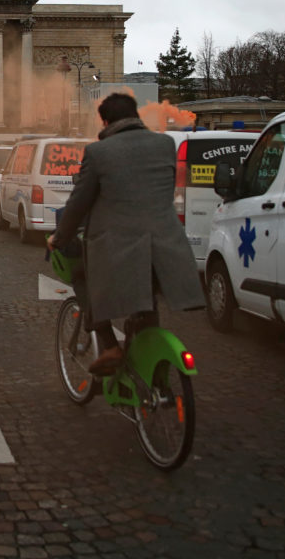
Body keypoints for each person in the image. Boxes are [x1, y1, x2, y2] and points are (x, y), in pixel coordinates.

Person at [47, 93, 204, 375]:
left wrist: (59, 237)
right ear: (136, 115)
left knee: (83, 277)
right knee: (148, 293)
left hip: (120, 248)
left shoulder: (99, 153)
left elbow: (79, 203)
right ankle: (149, 358)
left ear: (105, 121)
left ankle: (109, 346)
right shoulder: (166, 144)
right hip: (168, 246)